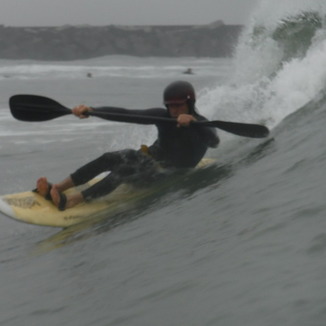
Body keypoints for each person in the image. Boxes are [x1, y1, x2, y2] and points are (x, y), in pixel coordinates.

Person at [35, 80, 219, 210]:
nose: (173, 110)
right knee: (113, 157)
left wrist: (193, 123)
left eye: (178, 106)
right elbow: (126, 113)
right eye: (170, 106)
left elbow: (214, 141)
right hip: (149, 160)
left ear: (190, 103)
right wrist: (92, 111)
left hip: (167, 174)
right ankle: (58, 188)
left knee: (125, 169)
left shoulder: (201, 124)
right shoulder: (163, 117)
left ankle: (72, 201)